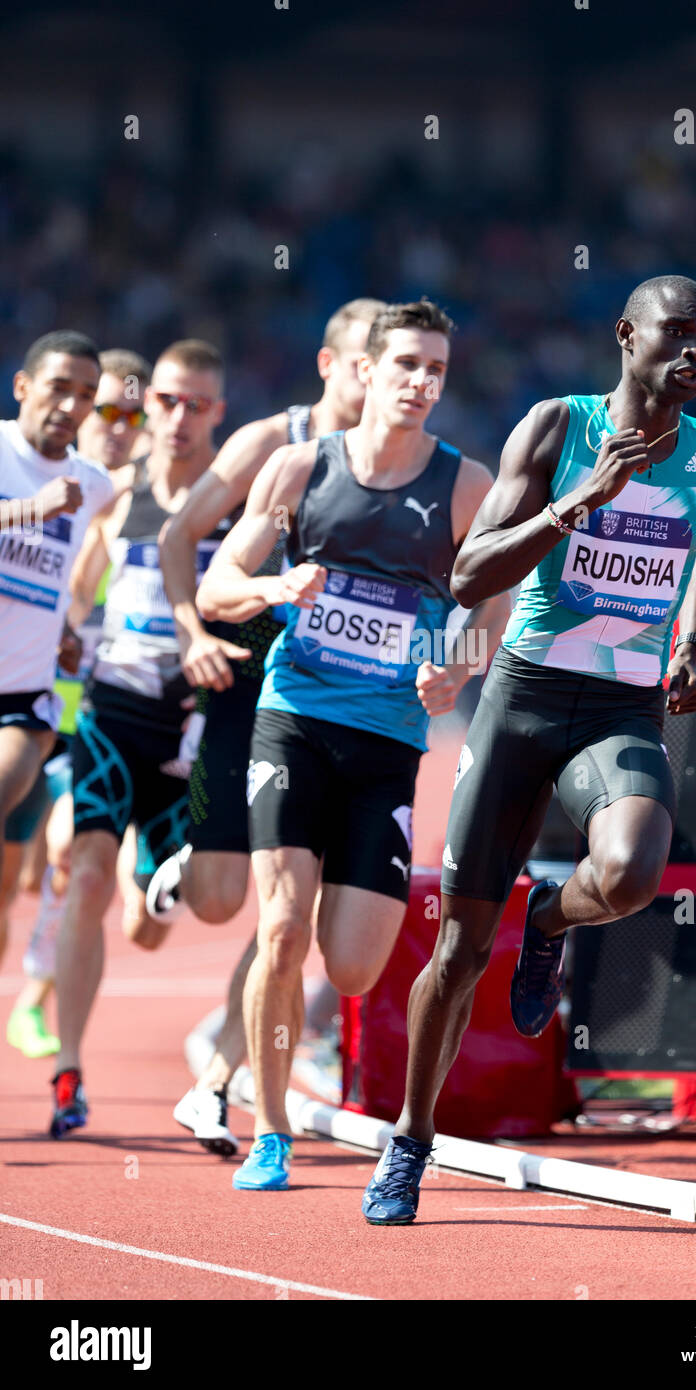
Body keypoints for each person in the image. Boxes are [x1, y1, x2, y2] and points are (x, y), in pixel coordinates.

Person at [361, 275, 696, 1224]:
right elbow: (464, 578)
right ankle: (410, 1139)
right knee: (456, 951)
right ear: (627, 336)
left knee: (629, 874)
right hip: (526, 697)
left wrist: (690, 642)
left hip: (620, 706)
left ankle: (551, 920)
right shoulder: (554, 427)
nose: (694, 354)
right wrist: (583, 499)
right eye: (676, 335)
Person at [195, 299, 510, 1190]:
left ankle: (289, 1058)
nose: (421, 382)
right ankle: (270, 1130)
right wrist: (272, 586)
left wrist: (460, 665)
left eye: (436, 370)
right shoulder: (301, 468)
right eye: (406, 363)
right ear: (363, 371)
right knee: (283, 928)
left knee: (355, 964)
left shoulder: (463, 486)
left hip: (387, 743)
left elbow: (497, 599)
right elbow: (218, 584)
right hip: (292, 719)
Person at [153, 299, 385, 1156]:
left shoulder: (401, 471)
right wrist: (193, 634)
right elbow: (181, 537)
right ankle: (174, 848)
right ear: (330, 365)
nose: (381, 380)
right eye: (367, 362)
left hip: (322, 710)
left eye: (392, 364)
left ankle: (216, 1085)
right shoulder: (270, 445)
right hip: (243, 687)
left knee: (285, 912)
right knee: (218, 902)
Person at [50, 339, 227, 1138]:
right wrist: (60, 636)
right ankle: (68, 1071)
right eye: (165, 401)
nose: (178, 418)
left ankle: (143, 868)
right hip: (113, 710)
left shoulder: (236, 496)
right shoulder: (116, 494)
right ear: (145, 402)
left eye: (196, 405)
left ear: (217, 412)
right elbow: (75, 592)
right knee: (85, 880)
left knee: (148, 931)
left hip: (191, 723)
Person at [5, 350, 152, 1058]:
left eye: (132, 414)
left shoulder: (129, 495)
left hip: (73, 715)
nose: (118, 426)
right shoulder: (75, 487)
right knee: (21, 874)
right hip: (45, 700)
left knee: (63, 854)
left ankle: (34, 998)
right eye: (110, 412)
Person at [0, 331, 114, 1000]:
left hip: (23, 697)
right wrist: (26, 511)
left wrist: (66, 627)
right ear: (22, 387)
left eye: (86, 396)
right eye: (58, 388)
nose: (71, 406)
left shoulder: (93, 486)